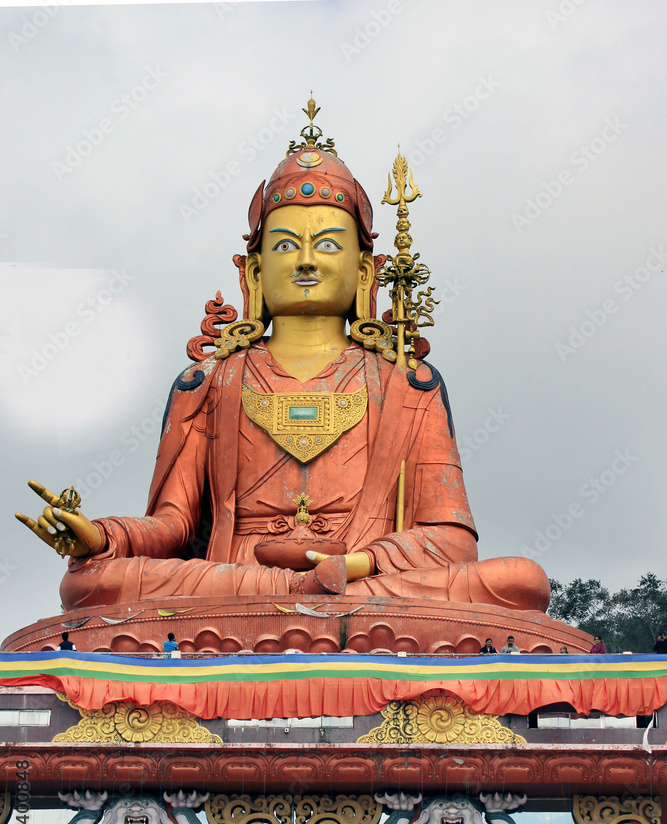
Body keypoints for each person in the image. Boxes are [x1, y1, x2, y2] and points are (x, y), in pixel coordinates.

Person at [15, 105, 551, 614]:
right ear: (253, 271)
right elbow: (174, 528)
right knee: (89, 582)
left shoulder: (409, 385)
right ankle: (304, 602)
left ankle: (313, 600)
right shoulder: (208, 382)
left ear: (366, 273)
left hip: (365, 579)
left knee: (521, 581)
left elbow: (451, 539)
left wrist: (357, 563)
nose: (307, 262)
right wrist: (105, 537)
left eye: (328, 245)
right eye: (287, 245)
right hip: (234, 580)